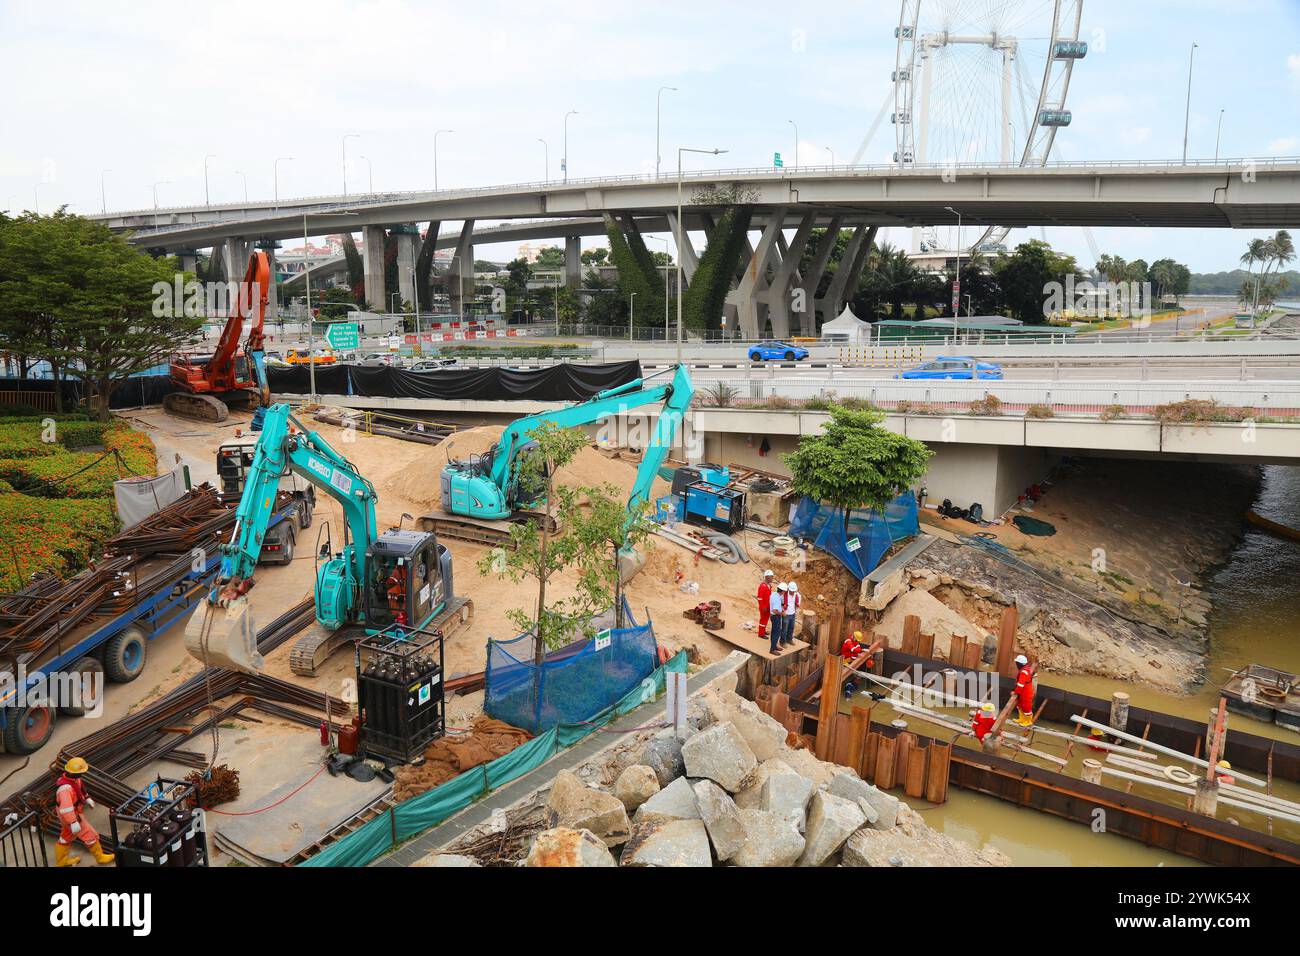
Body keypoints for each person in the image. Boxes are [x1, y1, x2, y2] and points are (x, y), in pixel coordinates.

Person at [54, 757, 114, 867]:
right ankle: (100, 857)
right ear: (74, 773)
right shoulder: (65, 789)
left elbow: (81, 788)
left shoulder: (73, 778)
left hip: (70, 813)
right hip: (70, 815)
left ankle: (61, 861)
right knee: (89, 834)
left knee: (66, 836)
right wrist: (73, 822)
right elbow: (66, 808)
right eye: (81, 772)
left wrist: (87, 798)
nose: (83, 774)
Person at [1013, 654, 1035, 726]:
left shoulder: (1023, 672)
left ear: (1020, 664)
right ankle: (1022, 719)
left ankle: (1028, 721)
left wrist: (1016, 692)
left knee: (1026, 707)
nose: (1016, 664)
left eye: (1017, 663)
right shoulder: (1025, 669)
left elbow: (1020, 685)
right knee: (1020, 705)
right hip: (1023, 691)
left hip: (1026, 692)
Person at [768, 582, 788, 654]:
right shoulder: (777, 599)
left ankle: (774, 646)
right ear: (783, 591)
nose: (785, 592)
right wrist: (782, 613)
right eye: (785, 591)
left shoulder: (774, 594)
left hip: (773, 616)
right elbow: (775, 610)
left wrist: (781, 608)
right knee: (776, 633)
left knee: (774, 632)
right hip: (776, 617)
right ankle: (772, 649)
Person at [756, 570, 774, 645]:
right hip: (764, 606)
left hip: (768, 606)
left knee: (766, 619)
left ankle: (763, 630)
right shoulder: (762, 586)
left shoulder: (768, 585)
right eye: (771, 577)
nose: (772, 578)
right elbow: (760, 598)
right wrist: (763, 606)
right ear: (767, 577)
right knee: (763, 619)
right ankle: (761, 634)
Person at [781, 582, 801, 647]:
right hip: (786, 614)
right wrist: (783, 611)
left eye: (793, 591)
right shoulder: (784, 595)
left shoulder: (796, 595)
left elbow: (798, 603)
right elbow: (781, 603)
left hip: (792, 614)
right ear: (788, 589)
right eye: (791, 591)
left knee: (791, 628)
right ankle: (782, 642)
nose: (792, 592)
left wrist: (796, 611)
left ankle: (789, 639)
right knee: (784, 629)